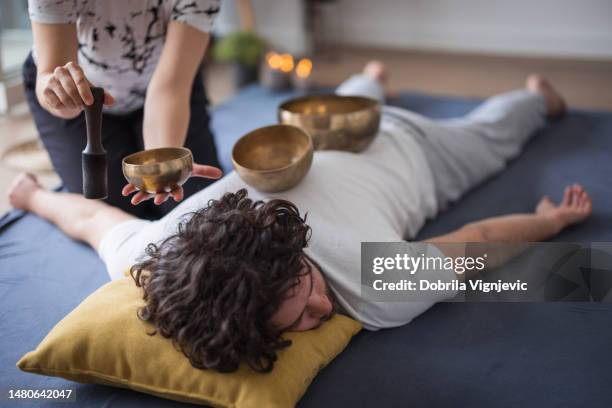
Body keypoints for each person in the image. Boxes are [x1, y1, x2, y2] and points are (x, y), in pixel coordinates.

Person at [8, 62, 592, 373]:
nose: (322, 310)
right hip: (300, 131)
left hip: (411, 149)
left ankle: (540, 97)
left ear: (292, 251)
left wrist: (549, 224)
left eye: (307, 291)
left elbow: (478, 242)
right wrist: (30, 196)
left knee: (492, 134)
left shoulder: (380, 282)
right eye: (300, 321)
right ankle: (371, 78)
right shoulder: (156, 251)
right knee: (343, 105)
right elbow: (91, 221)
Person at [23, 0, 224, 219]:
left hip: (166, 84)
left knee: (195, 212)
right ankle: (31, 194)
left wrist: (160, 166)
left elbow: (171, 87)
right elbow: (51, 75)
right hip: (88, 106)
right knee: (114, 213)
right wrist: (62, 97)